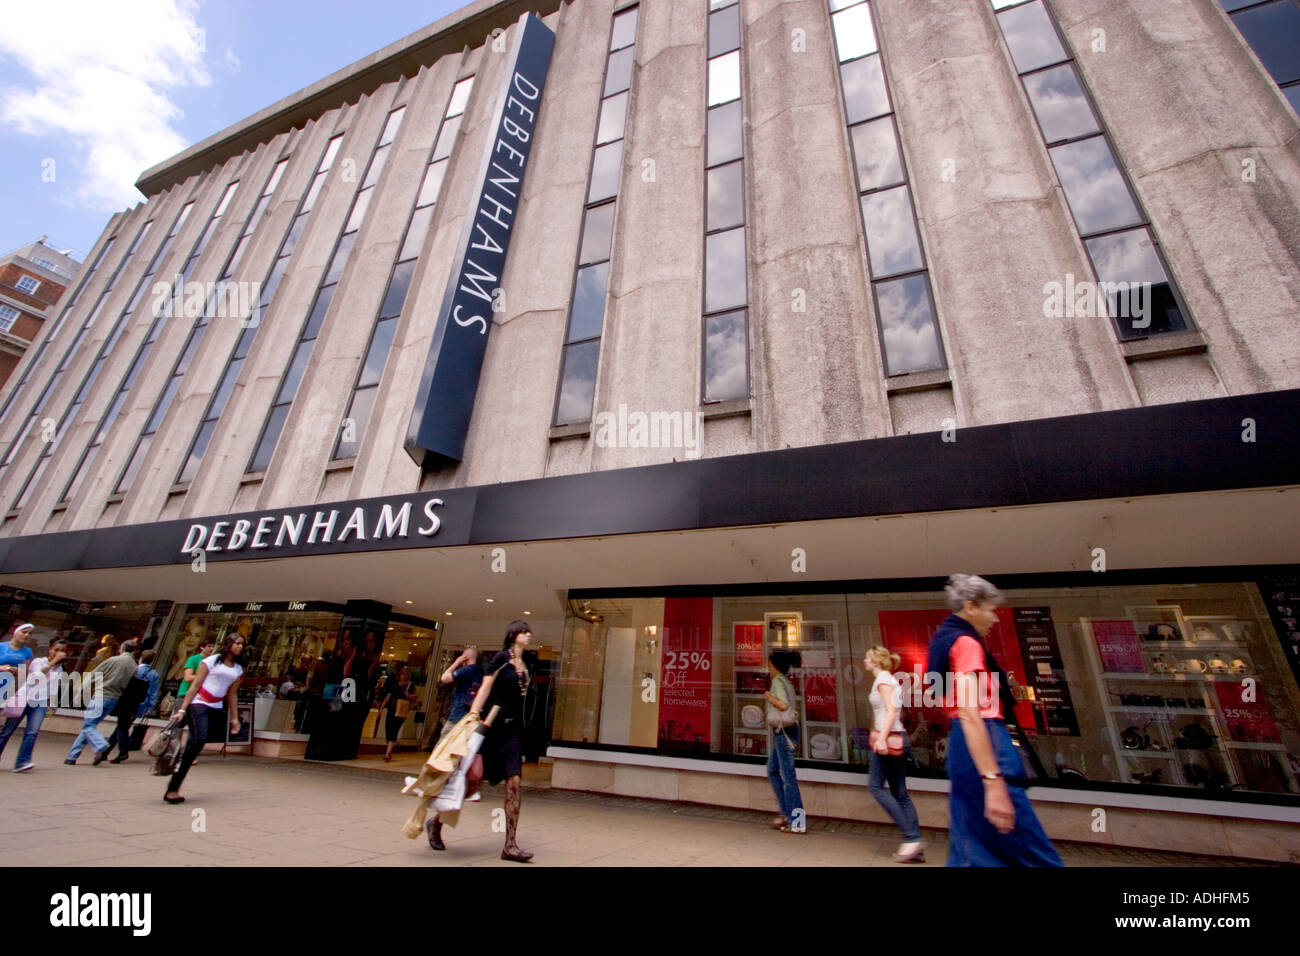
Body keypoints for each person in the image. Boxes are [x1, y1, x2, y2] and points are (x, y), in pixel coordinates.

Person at [926, 574, 1062, 867]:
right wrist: (993, 781)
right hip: (985, 743)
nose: (995, 618)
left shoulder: (945, 639)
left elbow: (949, 702)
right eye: (990, 609)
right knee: (1031, 851)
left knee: (971, 849)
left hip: (963, 747)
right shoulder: (967, 644)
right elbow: (971, 713)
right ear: (971, 606)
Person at [427, 623, 533, 861]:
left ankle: (510, 845)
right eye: (524, 631)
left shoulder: (525, 665)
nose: (528, 635)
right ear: (513, 635)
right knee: (471, 783)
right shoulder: (501, 658)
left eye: (529, 632)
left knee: (514, 784)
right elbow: (485, 689)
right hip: (489, 728)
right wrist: (473, 719)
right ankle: (436, 822)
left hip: (512, 732)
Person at [163, 633, 245, 804]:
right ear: (229, 643)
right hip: (199, 704)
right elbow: (194, 686)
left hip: (216, 707)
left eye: (242, 644)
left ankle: (174, 785)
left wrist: (235, 718)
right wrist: (182, 710)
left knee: (196, 744)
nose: (239, 647)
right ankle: (175, 780)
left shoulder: (238, 669)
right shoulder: (211, 661)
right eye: (237, 643)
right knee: (199, 739)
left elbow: (232, 694)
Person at [864, 646, 923, 862]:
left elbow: (890, 711)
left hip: (890, 739)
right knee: (900, 792)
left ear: (876, 661)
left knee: (875, 787)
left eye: (868, 657)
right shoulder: (887, 679)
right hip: (898, 737)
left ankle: (911, 838)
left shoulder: (883, 681)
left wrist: (881, 738)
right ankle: (915, 843)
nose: (865, 660)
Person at [66, 638, 139, 765]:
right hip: (114, 698)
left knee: (88, 725)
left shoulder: (113, 660)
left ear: (122, 649)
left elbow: (94, 675)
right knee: (89, 726)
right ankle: (72, 757)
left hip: (101, 695)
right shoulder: (134, 666)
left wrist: (80, 692)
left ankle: (101, 745)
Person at [0, 635, 66, 771]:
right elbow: (35, 678)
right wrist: (53, 663)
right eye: (56, 649)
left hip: (40, 703)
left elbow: (52, 688)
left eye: (61, 651)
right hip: (25, 698)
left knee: (32, 732)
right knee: (8, 730)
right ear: (50, 650)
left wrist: (52, 704)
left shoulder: (59, 669)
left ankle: (22, 762)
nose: (57, 653)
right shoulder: (38, 661)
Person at [764, 649, 805, 834]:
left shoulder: (778, 681)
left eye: (769, 664)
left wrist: (769, 697)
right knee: (772, 769)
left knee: (788, 776)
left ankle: (797, 821)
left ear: (774, 665)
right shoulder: (786, 681)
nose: (768, 667)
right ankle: (786, 813)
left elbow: (783, 705)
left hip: (785, 732)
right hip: (786, 731)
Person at [107, 648, 160, 762]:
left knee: (122, 726)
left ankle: (121, 752)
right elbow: (153, 693)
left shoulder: (134, 670)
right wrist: (149, 707)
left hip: (127, 702)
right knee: (122, 726)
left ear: (140, 659)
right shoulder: (153, 674)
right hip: (140, 705)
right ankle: (105, 751)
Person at [377, 665, 418, 761]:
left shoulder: (410, 686)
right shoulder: (395, 685)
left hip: (400, 711)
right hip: (391, 709)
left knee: (394, 730)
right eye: (402, 674)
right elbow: (388, 696)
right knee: (388, 728)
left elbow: (415, 697)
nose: (404, 676)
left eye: (406, 674)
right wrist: (382, 708)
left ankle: (388, 753)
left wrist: (408, 695)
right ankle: (389, 748)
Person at [176, 638, 215, 705]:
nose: (211, 649)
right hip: (185, 694)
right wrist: (204, 676)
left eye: (212, 647)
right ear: (202, 647)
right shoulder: (193, 659)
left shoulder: (212, 662)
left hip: (199, 697)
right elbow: (187, 677)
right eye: (209, 646)